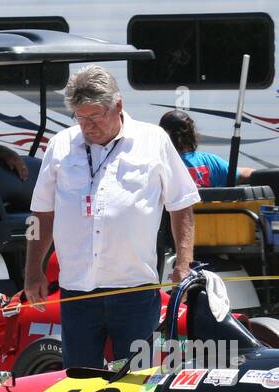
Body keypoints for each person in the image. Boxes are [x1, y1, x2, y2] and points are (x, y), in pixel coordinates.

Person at [25, 66, 200, 369]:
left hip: (134, 290)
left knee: (135, 384)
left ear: (118, 106)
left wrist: (183, 265)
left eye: (95, 117)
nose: (88, 126)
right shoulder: (61, 145)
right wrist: (32, 270)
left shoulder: (153, 140)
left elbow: (181, 206)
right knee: (78, 382)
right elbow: (40, 213)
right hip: (76, 292)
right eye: (81, 118)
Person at [158, 109, 252, 188]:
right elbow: (245, 175)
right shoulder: (209, 161)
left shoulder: (157, 164)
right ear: (191, 134)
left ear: (163, 135)